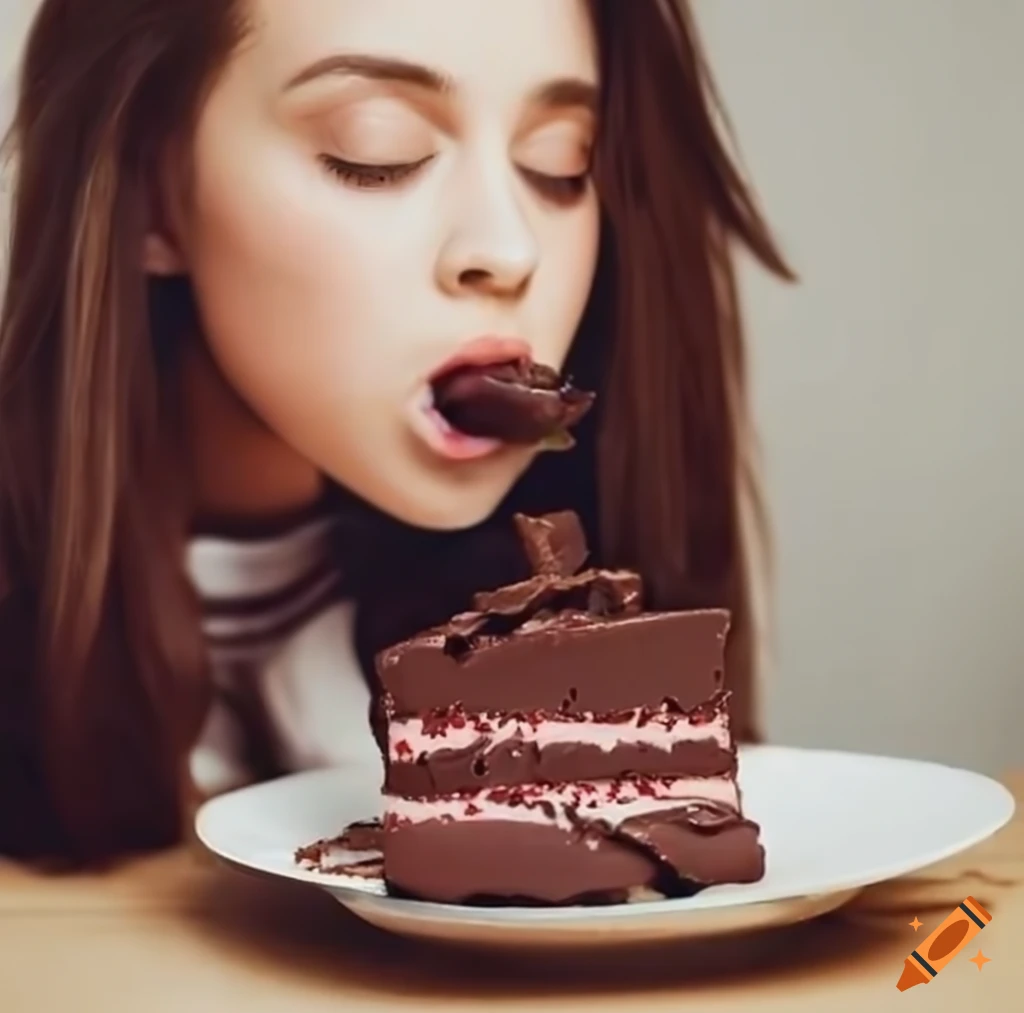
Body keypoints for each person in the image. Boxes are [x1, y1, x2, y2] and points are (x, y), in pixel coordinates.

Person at [0, 0, 791, 864]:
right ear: (152, 194)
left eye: (560, 164)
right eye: (376, 153)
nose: (508, 248)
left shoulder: (573, 621)